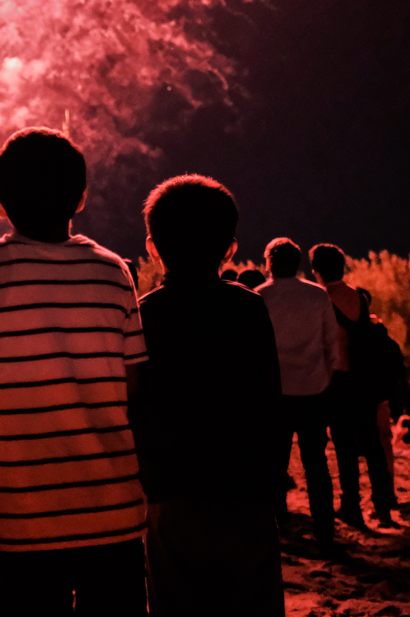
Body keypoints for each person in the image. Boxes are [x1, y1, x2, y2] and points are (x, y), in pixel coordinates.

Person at [0, 128, 148, 617]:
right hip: (113, 505)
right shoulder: (114, 270)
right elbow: (134, 380)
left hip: (24, 513)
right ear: (80, 197)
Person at [131, 175, 284, 616]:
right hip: (244, 493)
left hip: (170, 497)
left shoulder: (145, 314)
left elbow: (135, 405)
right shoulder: (248, 308)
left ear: (153, 247)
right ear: (231, 247)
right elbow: (270, 402)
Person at [256, 237, 340, 550]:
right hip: (313, 390)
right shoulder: (317, 296)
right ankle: (325, 526)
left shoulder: (260, 296)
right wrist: (326, 377)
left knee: (274, 461)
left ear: (269, 263)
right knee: (316, 462)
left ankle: (279, 520)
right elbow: (332, 344)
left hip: (274, 393)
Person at [309, 243, 397, 528]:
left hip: (339, 382)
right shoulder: (358, 296)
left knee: (345, 448)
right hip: (365, 382)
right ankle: (383, 507)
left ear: (316, 270)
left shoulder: (321, 299)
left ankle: (352, 507)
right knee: (372, 445)